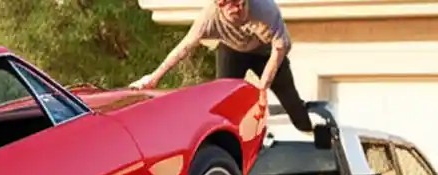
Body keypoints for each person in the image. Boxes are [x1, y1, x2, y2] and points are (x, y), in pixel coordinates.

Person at [130, 0, 313, 133]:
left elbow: (281, 47)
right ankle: (231, 145)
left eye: (241, 4)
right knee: (226, 103)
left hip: (267, 54)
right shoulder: (209, 17)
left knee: (292, 102)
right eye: (231, 6)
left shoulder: (265, 9)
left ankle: (310, 132)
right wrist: (154, 77)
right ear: (220, 5)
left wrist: (262, 89)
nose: (238, 10)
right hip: (232, 51)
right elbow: (183, 48)